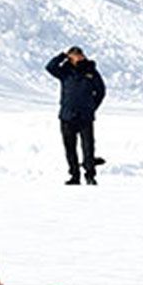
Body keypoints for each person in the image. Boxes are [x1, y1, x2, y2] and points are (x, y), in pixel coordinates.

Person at [45, 46, 106, 185]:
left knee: (88, 147)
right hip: (67, 116)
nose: (78, 56)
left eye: (80, 54)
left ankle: (90, 176)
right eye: (75, 54)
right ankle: (74, 176)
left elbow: (101, 91)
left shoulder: (91, 70)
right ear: (70, 56)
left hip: (85, 117)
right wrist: (63, 55)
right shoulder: (65, 71)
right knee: (70, 148)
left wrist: (92, 107)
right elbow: (50, 67)